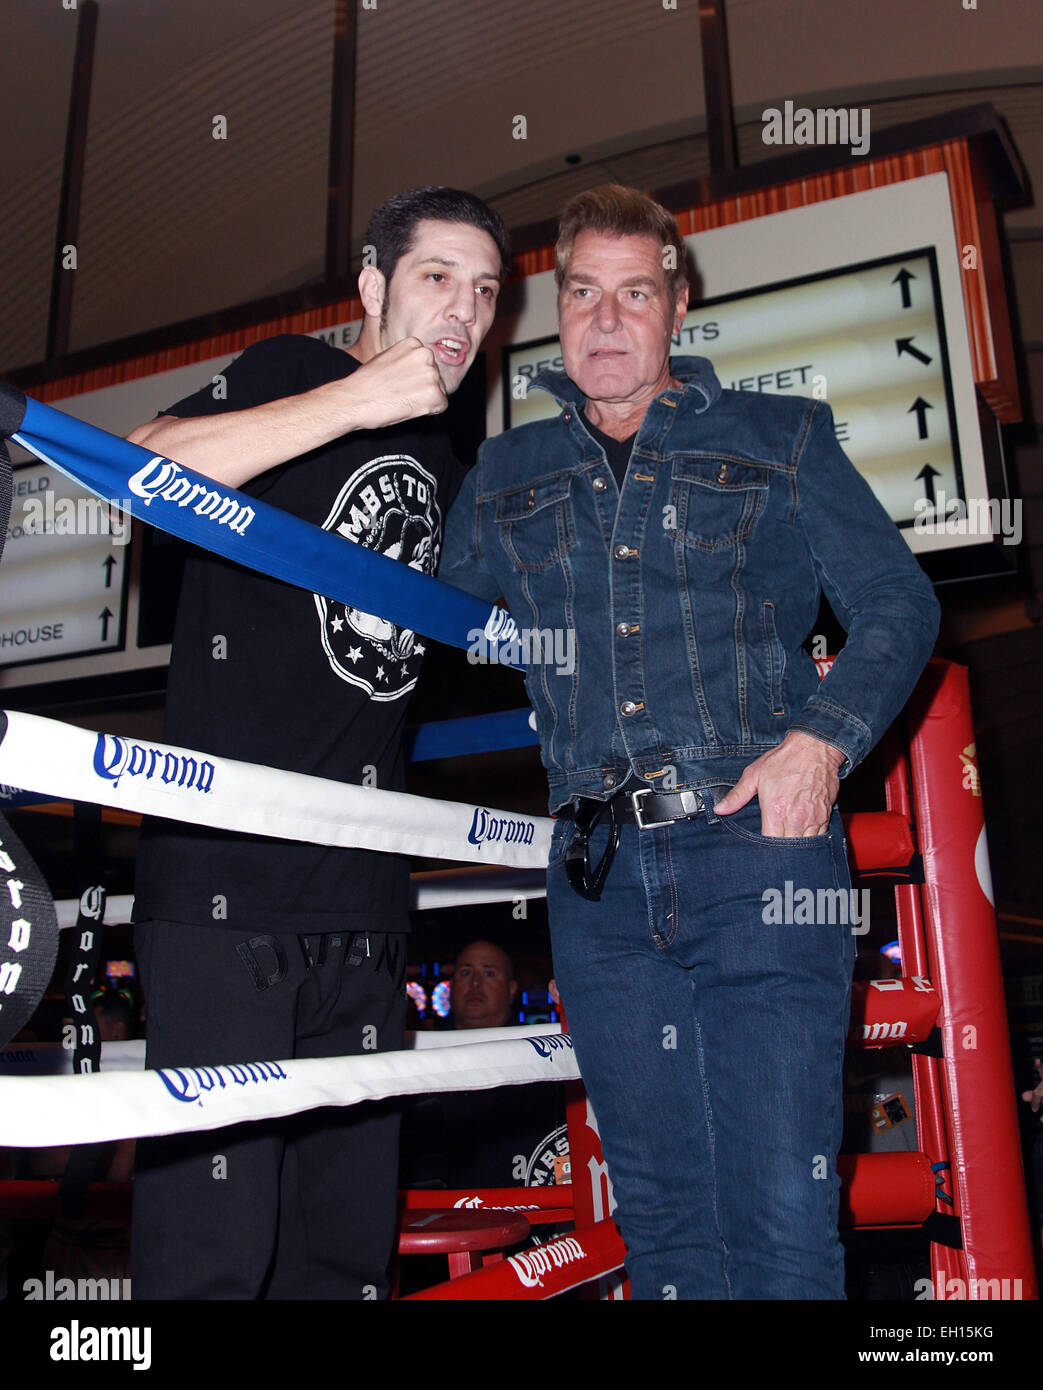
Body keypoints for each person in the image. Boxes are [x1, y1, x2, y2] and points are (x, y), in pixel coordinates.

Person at [438, 185, 940, 1299]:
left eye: (633, 293)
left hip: (756, 856)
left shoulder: (782, 435)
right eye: (581, 294)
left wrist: (820, 740)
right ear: (555, 311)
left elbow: (899, 606)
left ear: (675, 305)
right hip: (595, 881)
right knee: (663, 1238)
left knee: (779, 1226)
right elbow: (409, 619)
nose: (605, 321)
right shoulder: (502, 476)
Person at [128, 187, 510, 1300]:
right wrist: (351, 400)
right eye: (438, 275)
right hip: (226, 894)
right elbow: (147, 471)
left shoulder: (450, 452)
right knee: (212, 1259)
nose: (464, 308)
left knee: (340, 1264)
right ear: (372, 285)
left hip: (366, 900)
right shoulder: (291, 368)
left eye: (485, 289)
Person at [449, 939, 518, 1029]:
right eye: (465, 973)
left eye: (489, 974)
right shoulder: (427, 1040)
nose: (475, 982)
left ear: (511, 989)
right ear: (452, 985)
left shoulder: (531, 1042)